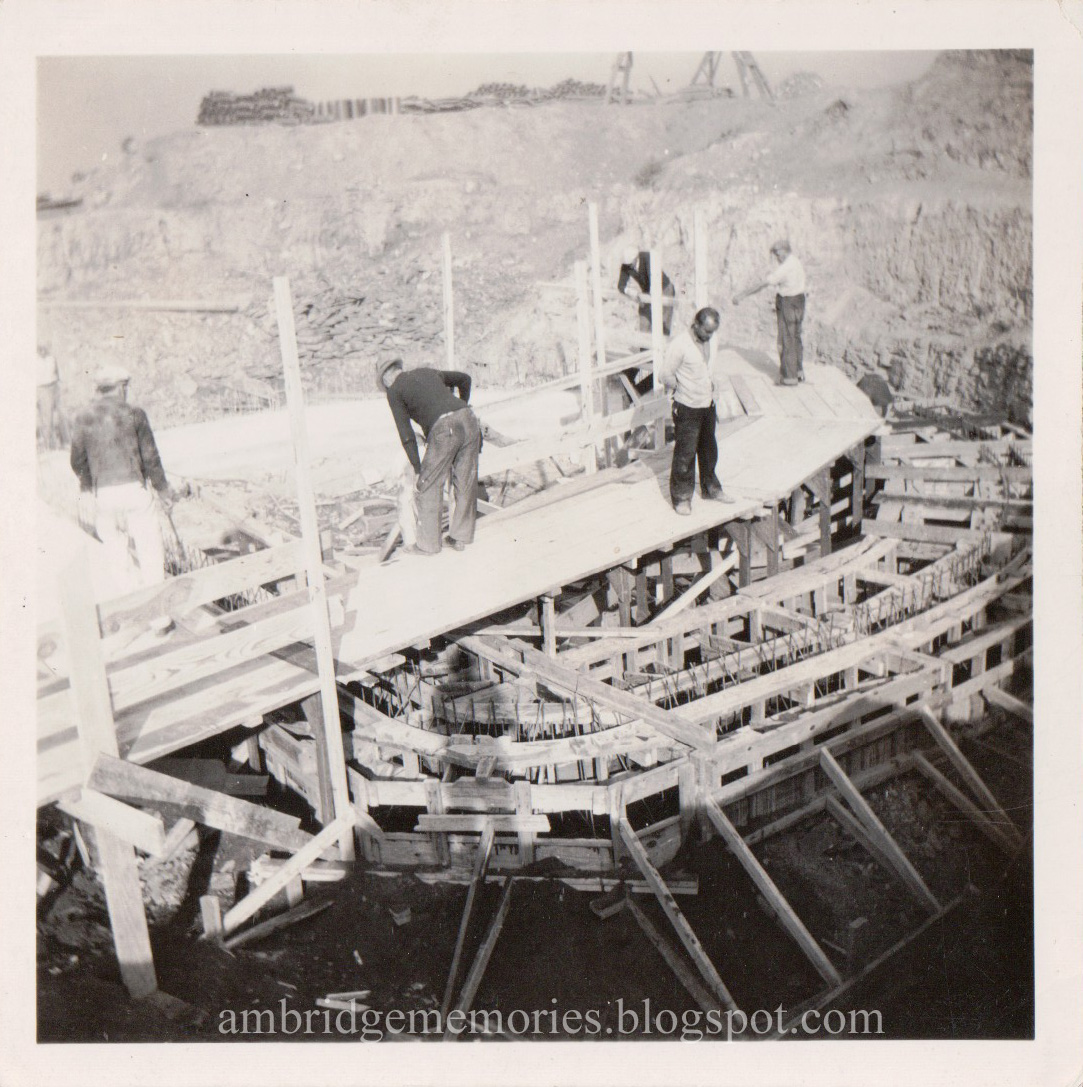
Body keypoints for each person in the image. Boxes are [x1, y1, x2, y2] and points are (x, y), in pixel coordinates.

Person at [69, 365, 179, 629]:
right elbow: (151, 458)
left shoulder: (83, 417)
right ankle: (159, 618)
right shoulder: (135, 414)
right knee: (150, 551)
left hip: (104, 496)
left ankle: (134, 610)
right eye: (125, 388)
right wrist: (163, 491)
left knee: (117, 555)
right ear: (120, 387)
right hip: (133, 491)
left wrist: (88, 486)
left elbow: (77, 460)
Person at [378, 357, 482, 555]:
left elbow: (406, 433)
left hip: (444, 428)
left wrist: (418, 469)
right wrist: (461, 405)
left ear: (386, 378)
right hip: (468, 419)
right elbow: (465, 379)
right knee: (465, 481)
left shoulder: (394, 392)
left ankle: (428, 546)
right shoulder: (427, 371)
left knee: (427, 484)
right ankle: (460, 537)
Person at [656, 308, 736, 516]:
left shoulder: (712, 340)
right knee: (686, 453)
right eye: (706, 331)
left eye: (712, 332)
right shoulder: (680, 345)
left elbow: (707, 368)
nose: (709, 336)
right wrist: (681, 389)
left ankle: (711, 489)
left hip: (707, 404)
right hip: (687, 406)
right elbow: (665, 375)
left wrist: (711, 385)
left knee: (709, 450)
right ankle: (681, 498)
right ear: (696, 324)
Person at [732, 240, 807, 386]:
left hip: (788, 302)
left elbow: (763, 284)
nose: (777, 258)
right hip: (800, 300)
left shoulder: (784, 268)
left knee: (787, 338)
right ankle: (798, 372)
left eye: (778, 254)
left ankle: (789, 378)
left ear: (785, 251)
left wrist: (741, 295)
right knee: (796, 336)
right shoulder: (795, 262)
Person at [37, 345, 65, 449]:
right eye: (41, 349)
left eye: (45, 349)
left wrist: (59, 384)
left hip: (54, 386)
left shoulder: (52, 359)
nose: (43, 351)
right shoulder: (35, 361)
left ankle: (65, 442)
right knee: (46, 417)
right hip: (42, 388)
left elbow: (57, 372)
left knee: (62, 414)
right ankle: (47, 444)